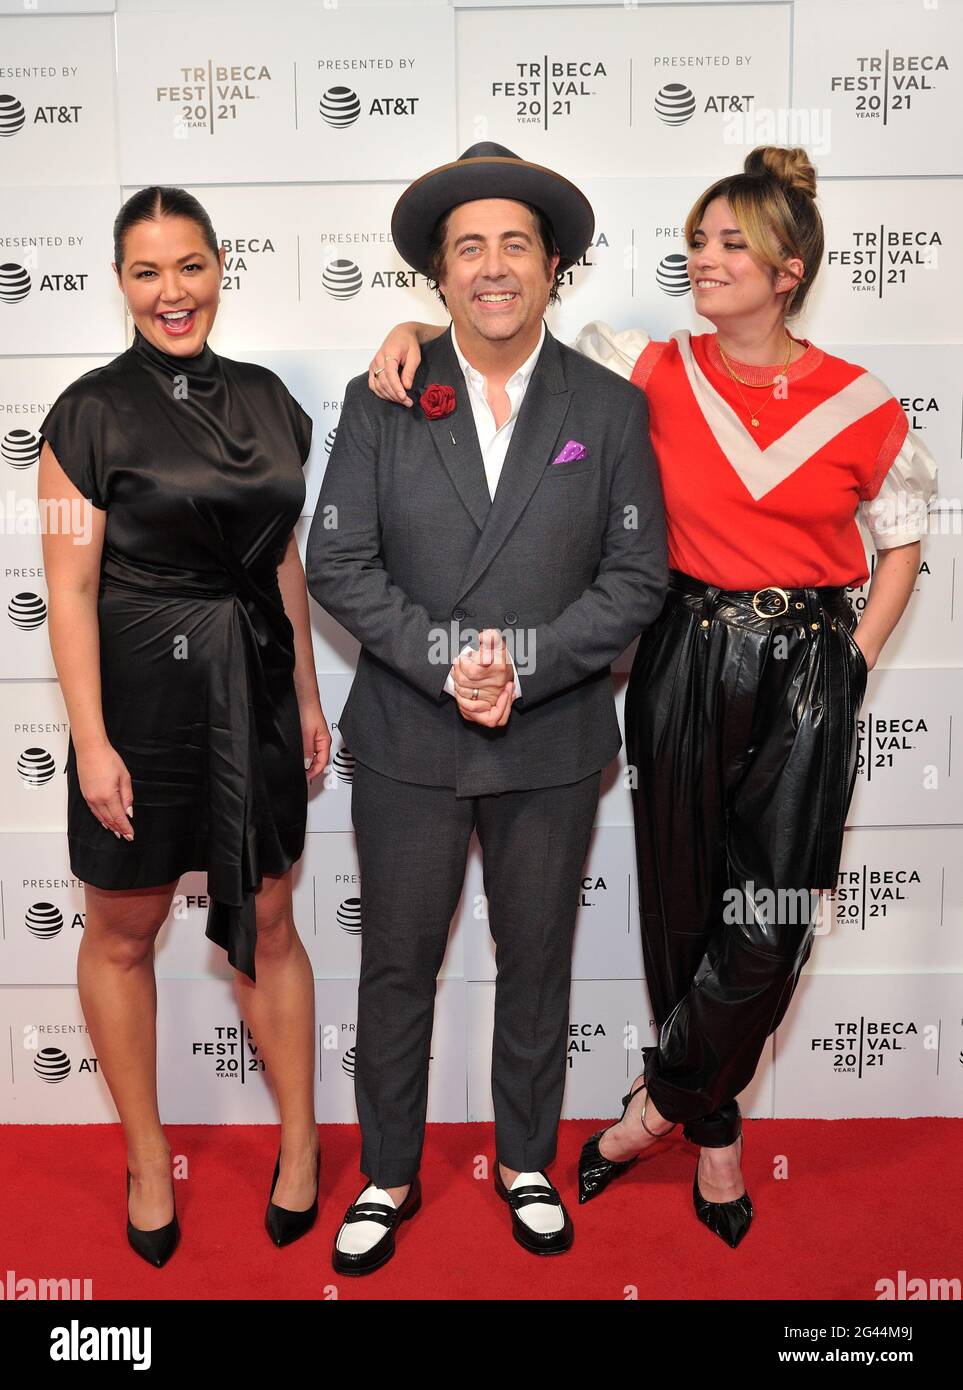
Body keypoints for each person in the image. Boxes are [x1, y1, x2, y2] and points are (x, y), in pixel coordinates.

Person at [367, 145, 937, 1248]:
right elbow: (493, 347)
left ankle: (655, 1106)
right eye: (699, 240)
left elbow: (902, 542)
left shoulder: (859, 401)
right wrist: (407, 334)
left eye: (734, 244)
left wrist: (852, 662)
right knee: (685, 908)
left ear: (791, 268)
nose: (706, 259)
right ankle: (714, 1137)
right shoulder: (645, 368)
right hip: (680, 650)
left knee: (773, 919)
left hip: (807, 664)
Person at [306, 142, 667, 1274]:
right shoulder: (389, 395)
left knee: (539, 956)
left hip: (553, 734)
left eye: (516, 243)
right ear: (439, 274)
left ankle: (523, 1160)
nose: (493, 266)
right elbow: (338, 561)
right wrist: (453, 653)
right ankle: (387, 1171)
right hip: (412, 730)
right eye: (470, 248)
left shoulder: (606, 405)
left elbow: (638, 576)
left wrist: (528, 660)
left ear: (554, 265)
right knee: (396, 964)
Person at [38, 186, 330, 1266]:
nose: (174, 292)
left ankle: (299, 1145)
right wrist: (93, 738)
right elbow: (67, 589)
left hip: (250, 685)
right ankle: (148, 1156)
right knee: (122, 928)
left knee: (270, 917)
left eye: (191, 266)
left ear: (220, 268)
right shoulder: (81, 416)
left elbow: (283, 561)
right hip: (140, 702)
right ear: (120, 282)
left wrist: (303, 692)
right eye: (149, 271)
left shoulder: (269, 401)